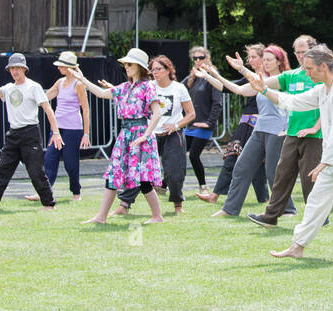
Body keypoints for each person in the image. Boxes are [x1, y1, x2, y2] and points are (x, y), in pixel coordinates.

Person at [237, 45, 333, 261]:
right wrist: (264, 90)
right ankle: (297, 246)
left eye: (309, 68)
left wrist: (323, 163)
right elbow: (294, 102)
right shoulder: (322, 89)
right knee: (316, 201)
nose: (306, 73)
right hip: (332, 156)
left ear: (323, 66)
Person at [74, 48, 167, 224]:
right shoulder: (124, 87)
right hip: (125, 135)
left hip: (140, 134)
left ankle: (157, 216)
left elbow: (157, 113)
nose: (126, 67)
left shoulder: (147, 86)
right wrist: (82, 79)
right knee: (113, 175)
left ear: (139, 67)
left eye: (129, 64)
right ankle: (101, 217)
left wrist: (145, 136)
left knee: (143, 179)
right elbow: (101, 93)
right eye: (125, 64)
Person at [194, 45, 289, 216]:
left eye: (268, 60)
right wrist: (213, 74)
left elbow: (262, 84)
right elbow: (238, 89)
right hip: (259, 129)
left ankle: (288, 209)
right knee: (241, 167)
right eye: (264, 59)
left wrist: (242, 69)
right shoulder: (262, 78)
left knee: (273, 172)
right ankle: (229, 209)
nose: (265, 63)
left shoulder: (283, 79)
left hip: (277, 131)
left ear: (279, 62)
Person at [245, 35, 326, 228]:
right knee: (282, 175)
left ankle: (319, 217)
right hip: (292, 133)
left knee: (309, 178)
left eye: (303, 51)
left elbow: (327, 103)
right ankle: (270, 217)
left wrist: (315, 127)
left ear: (313, 51)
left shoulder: (321, 74)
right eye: (296, 52)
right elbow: (260, 84)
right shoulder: (291, 76)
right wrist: (242, 69)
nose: (299, 55)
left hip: (314, 135)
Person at [0, 54, 63, 211]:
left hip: (30, 133)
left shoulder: (34, 87)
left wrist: (56, 132)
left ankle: (48, 204)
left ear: (24, 69)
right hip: (13, 134)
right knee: (2, 169)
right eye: (12, 68)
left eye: (17, 68)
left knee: (35, 171)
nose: (15, 71)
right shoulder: (8, 88)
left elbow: (47, 109)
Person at [117, 55, 194, 215]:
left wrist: (176, 125)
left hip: (172, 135)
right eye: (152, 69)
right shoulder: (148, 86)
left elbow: (191, 114)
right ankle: (124, 204)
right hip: (149, 134)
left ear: (168, 70)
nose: (155, 72)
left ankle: (177, 204)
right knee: (137, 169)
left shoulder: (179, 88)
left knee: (174, 172)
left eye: (159, 69)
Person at [203, 44, 266, 202]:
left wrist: (239, 69)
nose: (250, 60)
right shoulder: (248, 77)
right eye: (249, 57)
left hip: (260, 125)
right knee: (231, 157)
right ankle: (215, 195)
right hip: (245, 125)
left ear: (263, 58)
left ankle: (264, 198)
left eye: (253, 57)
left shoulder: (269, 77)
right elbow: (228, 88)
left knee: (258, 163)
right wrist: (209, 75)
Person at [28, 51, 89, 202]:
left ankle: (76, 192)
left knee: (70, 163)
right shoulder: (59, 82)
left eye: (61, 65)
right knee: (49, 159)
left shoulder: (79, 84)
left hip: (73, 129)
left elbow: (86, 109)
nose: (58, 68)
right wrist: (29, 98)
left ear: (68, 67)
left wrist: (86, 134)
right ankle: (44, 192)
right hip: (57, 128)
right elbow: (45, 97)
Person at [183, 45, 226, 193]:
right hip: (190, 124)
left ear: (207, 58)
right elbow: (177, 88)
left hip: (203, 125)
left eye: (201, 57)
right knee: (179, 153)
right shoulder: (192, 77)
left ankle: (203, 186)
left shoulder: (212, 77)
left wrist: (209, 123)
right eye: (195, 58)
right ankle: (165, 184)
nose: (198, 60)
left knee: (194, 155)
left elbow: (217, 103)